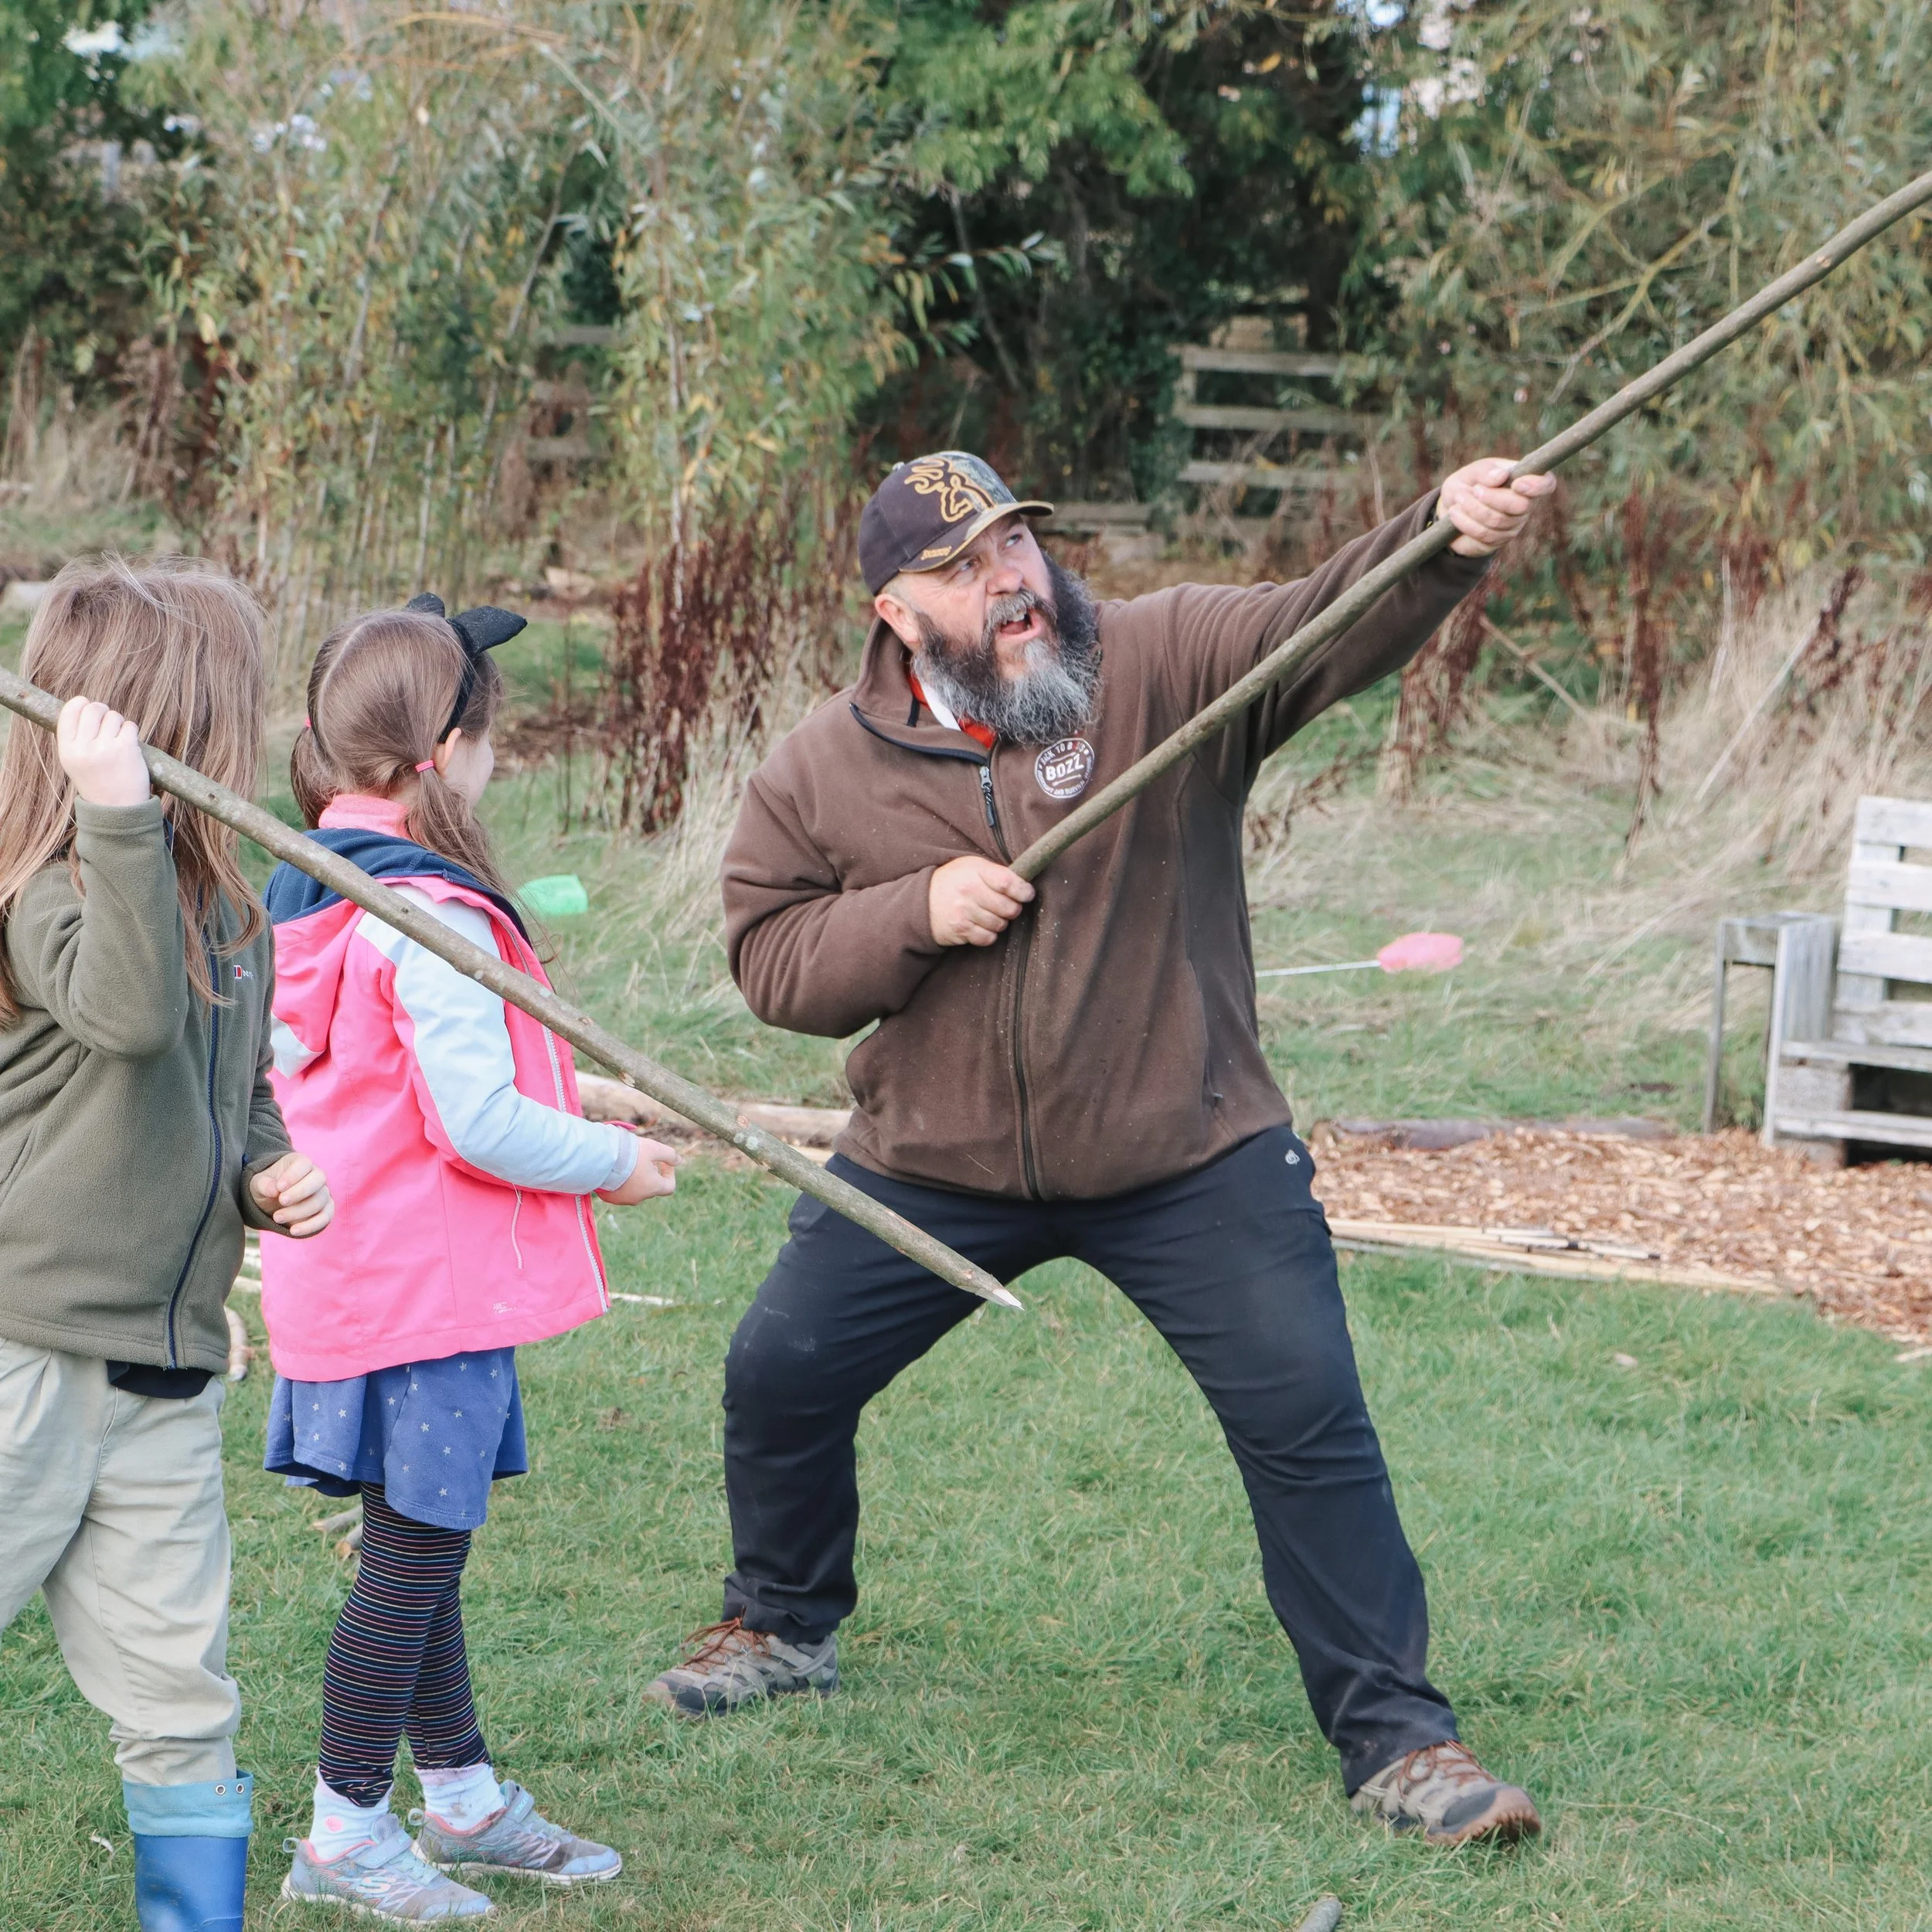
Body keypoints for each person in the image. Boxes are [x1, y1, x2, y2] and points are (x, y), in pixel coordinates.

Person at [646, 451, 1559, 1845]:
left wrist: (1440, 540)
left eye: (1018, 544)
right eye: (966, 567)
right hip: (932, 1163)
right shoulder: (820, 772)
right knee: (780, 1371)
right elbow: (772, 959)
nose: (1013, 578)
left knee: (1306, 1413)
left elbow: (1322, 619)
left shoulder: (1155, 661)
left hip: (1184, 1148)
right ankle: (783, 1627)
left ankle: (1398, 1740)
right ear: (898, 611)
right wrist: (914, 910)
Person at [258, 597, 680, 1922]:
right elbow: (476, 1120)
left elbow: (392, 1090)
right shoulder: (423, 914)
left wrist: (589, 1107)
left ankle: (462, 1799)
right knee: (412, 1565)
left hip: (352, 1285)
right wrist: (617, 1165)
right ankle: (343, 1834)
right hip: (425, 1301)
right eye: (494, 735)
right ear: (449, 751)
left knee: (414, 1545)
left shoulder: (313, 883)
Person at [0, 558, 335, 1932]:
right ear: (156, 732)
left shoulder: (232, 909)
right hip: (23, 1361)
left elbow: (227, 1076)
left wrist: (262, 1173)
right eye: (232, 711)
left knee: (182, 1689)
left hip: (163, 1373)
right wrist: (115, 822)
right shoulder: (47, 893)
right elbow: (134, 1018)